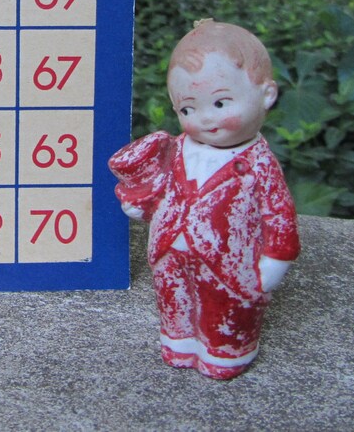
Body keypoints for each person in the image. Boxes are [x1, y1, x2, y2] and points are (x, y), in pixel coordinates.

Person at [108, 19, 300, 379]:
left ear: (266, 94)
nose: (204, 119)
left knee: (224, 310)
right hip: (169, 250)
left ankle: (225, 353)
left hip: (229, 264)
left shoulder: (257, 164)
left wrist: (273, 264)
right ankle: (179, 342)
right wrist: (140, 205)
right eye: (187, 109)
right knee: (173, 300)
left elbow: (279, 216)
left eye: (220, 102)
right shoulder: (175, 149)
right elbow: (159, 189)